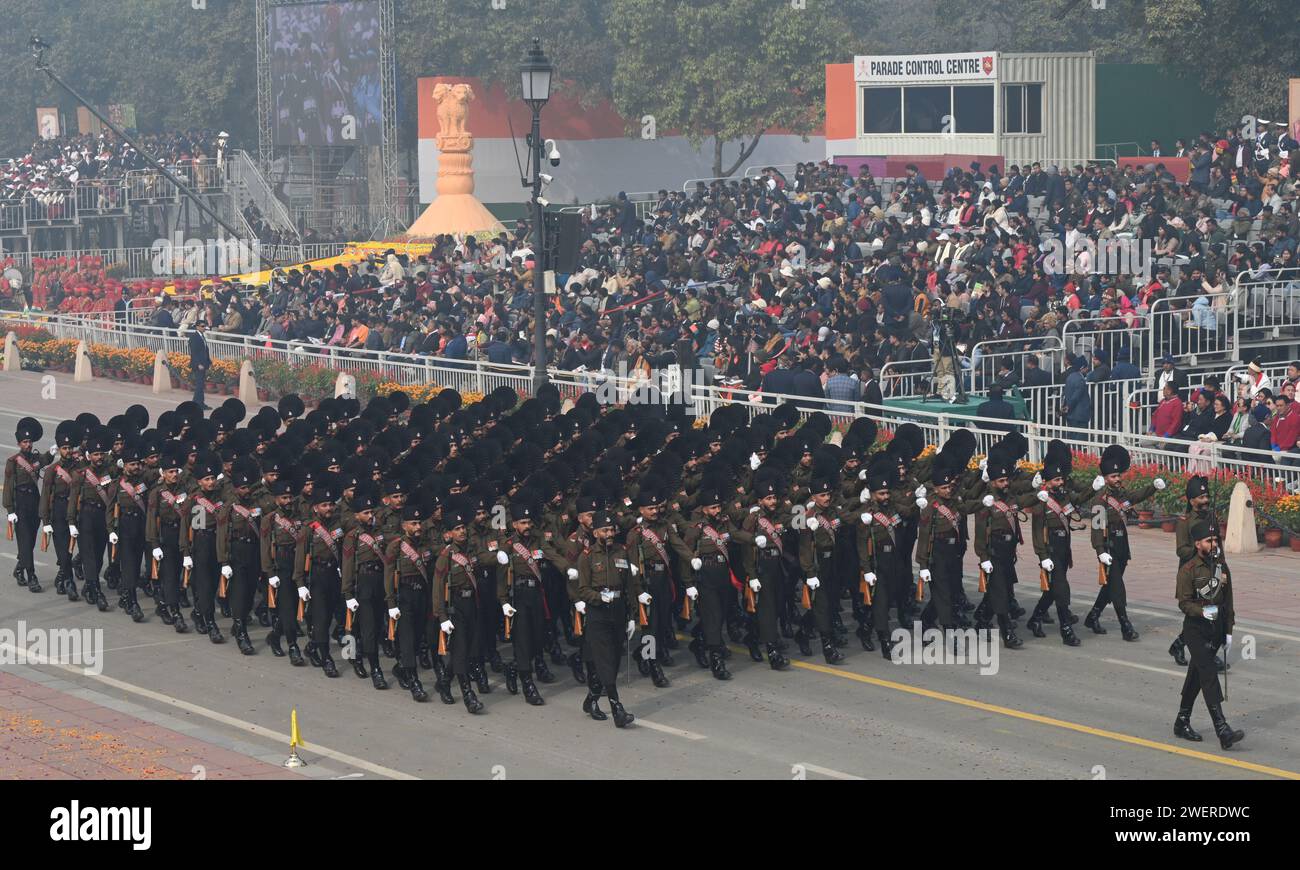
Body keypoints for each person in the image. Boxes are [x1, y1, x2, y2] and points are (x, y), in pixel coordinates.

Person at [1173, 521, 1244, 750]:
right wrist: (1202, 611)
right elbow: (1183, 603)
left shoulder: (1222, 566)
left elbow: (1229, 600)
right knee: (1209, 673)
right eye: (1209, 541)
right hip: (1196, 629)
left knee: (1196, 676)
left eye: (1215, 540)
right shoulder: (1188, 570)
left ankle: (1182, 720)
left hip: (1216, 629)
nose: (1214, 545)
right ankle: (1222, 729)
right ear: (1197, 544)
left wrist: (1229, 630)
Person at [1086, 445, 1163, 641]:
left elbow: (1137, 496)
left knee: (1111, 585)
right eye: (1113, 476)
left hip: (1121, 546)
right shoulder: (1099, 500)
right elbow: (1096, 529)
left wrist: (1153, 486)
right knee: (1117, 587)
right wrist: (1100, 551)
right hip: (1108, 547)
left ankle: (1093, 615)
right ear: (1105, 478)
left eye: (1118, 475)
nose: (1118, 479)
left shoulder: (1121, 494)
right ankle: (1125, 626)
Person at [575, 510, 637, 728]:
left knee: (615, 660)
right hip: (598, 613)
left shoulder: (622, 552)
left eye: (612, 529)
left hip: (618, 611)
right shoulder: (587, 557)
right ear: (595, 532)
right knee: (605, 660)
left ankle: (592, 698)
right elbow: (582, 589)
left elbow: (629, 585)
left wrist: (632, 616)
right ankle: (616, 707)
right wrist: (599, 597)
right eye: (605, 530)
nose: (610, 533)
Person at [4, 417, 46, 593]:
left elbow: (45, 460)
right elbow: (7, 487)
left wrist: (52, 452)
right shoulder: (13, 462)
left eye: (30, 441)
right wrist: (10, 510)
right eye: (24, 442)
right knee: (25, 540)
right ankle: (32, 575)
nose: (28, 445)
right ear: (19, 443)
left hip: (34, 502)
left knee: (30, 540)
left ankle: (20, 567)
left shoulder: (36, 458)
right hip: (20, 504)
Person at [188, 320, 212, 410]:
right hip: (198, 365)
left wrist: (208, 361)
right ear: (197, 327)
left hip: (203, 363)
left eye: (204, 326)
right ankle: (197, 404)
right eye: (202, 326)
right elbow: (194, 353)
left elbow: (205, 350)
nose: (204, 327)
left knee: (201, 385)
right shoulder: (194, 337)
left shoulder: (201, 336)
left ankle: (199, 403)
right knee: (199, 385)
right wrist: (198, 364)